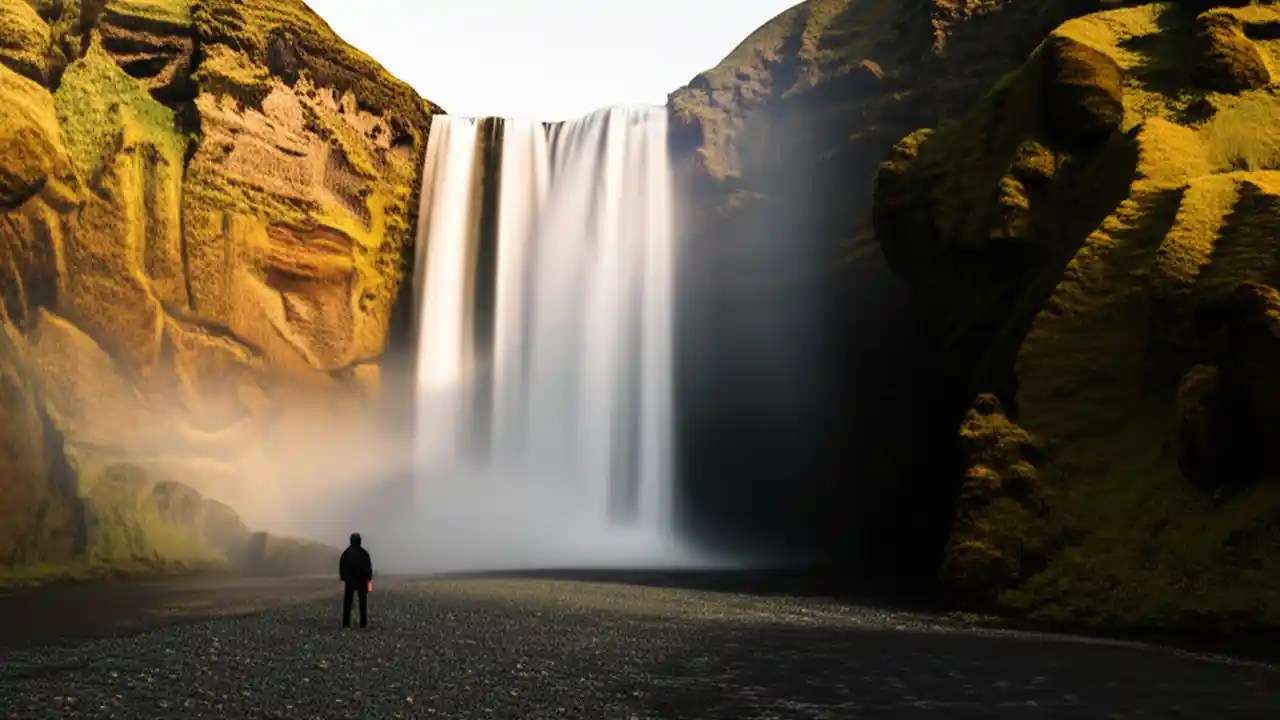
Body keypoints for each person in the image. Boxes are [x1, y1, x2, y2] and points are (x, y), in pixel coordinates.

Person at [339, 533, 373, 628]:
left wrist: (343, 577)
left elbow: (342, 566)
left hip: (349, 581)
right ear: (359, 541)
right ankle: (363, 623)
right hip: (362, 581)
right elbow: (368, 567)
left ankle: (346, 623)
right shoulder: (364, 553)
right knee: (362, 603)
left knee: (348, 602)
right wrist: (369, 580)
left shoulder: (346, 553)